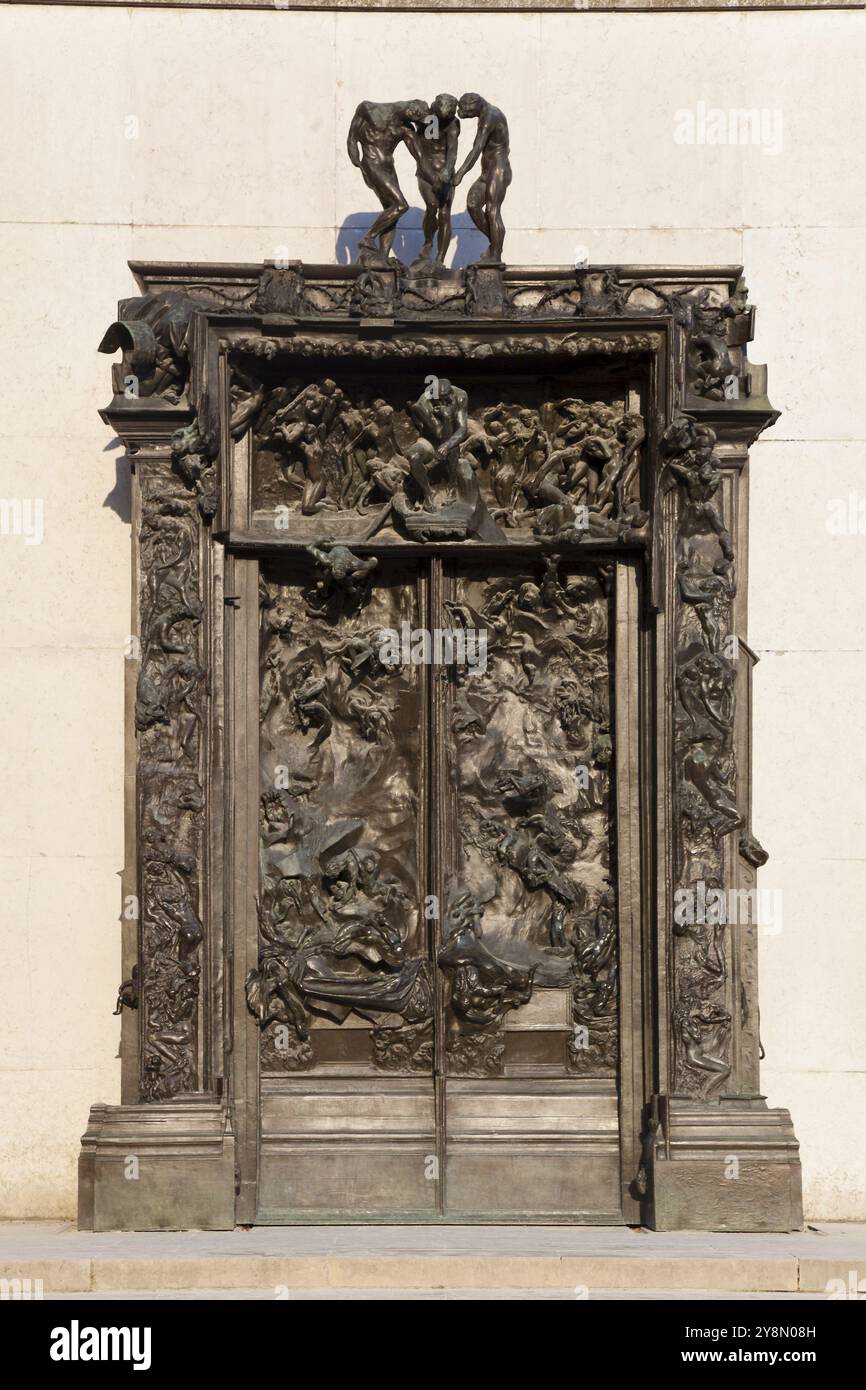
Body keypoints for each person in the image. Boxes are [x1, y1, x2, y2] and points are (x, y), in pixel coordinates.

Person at [453, 94, 512, 263]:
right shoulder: (485, 113)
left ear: (474, 106)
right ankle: (496, 242)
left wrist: (460, 173)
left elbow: (477, 148)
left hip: (498, 169)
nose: (462, 114)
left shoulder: (490, 117)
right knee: (473, 204)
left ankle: (495, 254)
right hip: (487, 172)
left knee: (492, 211)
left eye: (464, 110)